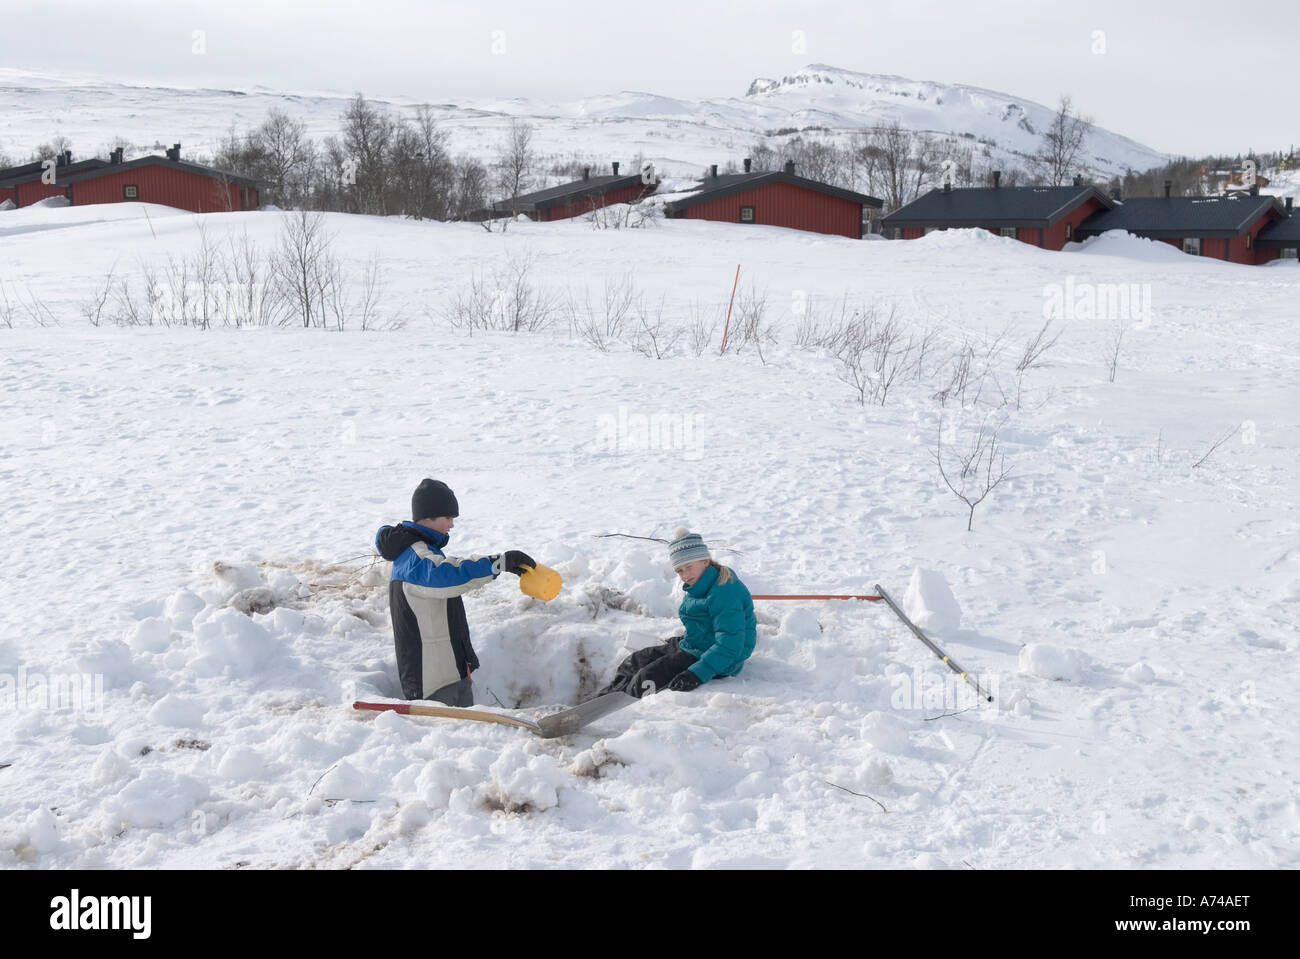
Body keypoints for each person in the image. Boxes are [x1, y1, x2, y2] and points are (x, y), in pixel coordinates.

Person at [374, 478, 535, 707]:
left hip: (449, 672)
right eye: (448, 517)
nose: (451, 525)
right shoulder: (414, 558)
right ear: (428, 516)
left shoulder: (425, 552)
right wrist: (498, 563)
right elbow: (450, 574)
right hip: (432, 681)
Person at [600, 528, 757, 698]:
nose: (685, 575)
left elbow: (731, 643)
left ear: (705, 561)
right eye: (680, 570)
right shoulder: (702, 584)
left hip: (722, 660)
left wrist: (697, 674)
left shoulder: (724, 593)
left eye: (688, 567)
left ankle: (622, 709)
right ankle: (602, 701)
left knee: (647, 677)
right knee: (635, 661)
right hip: (697, 645)